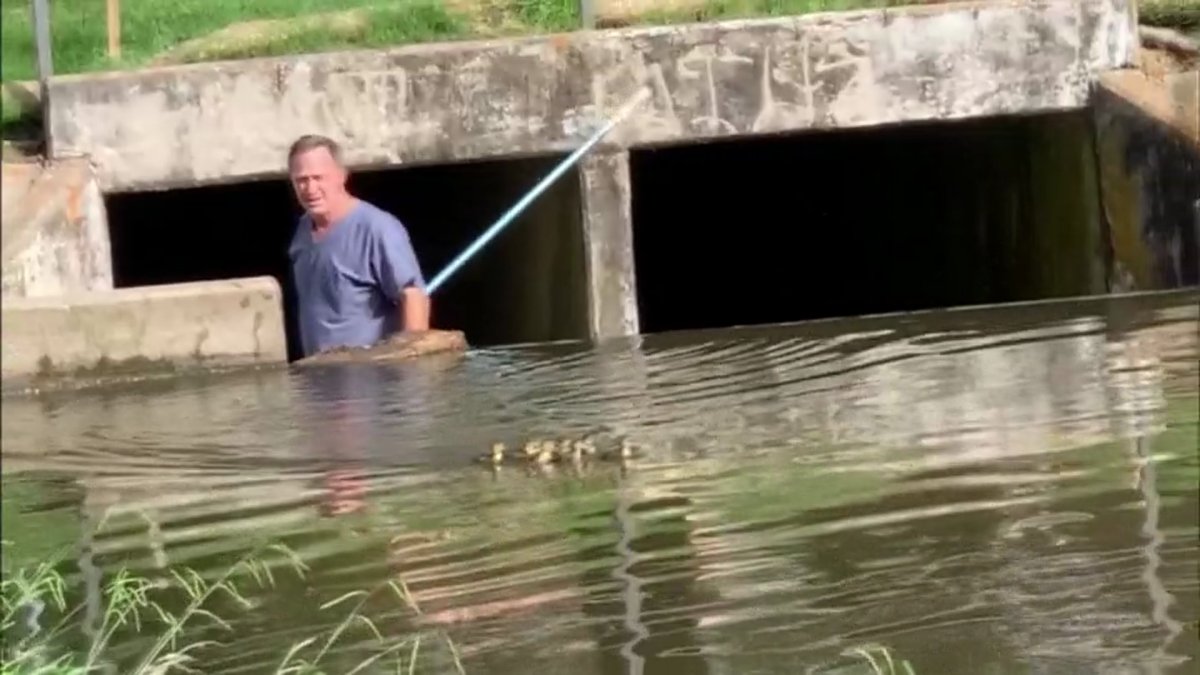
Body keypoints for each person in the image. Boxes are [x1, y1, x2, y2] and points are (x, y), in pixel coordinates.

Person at [286, 134, 431, 358]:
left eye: (318, 178)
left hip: (372, 383)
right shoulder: (302, 231)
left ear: (341, 176)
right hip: (318, 381)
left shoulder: (377, 228)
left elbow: (413, 296)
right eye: (301, 180)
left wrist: (411, 370)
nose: (309, 188)